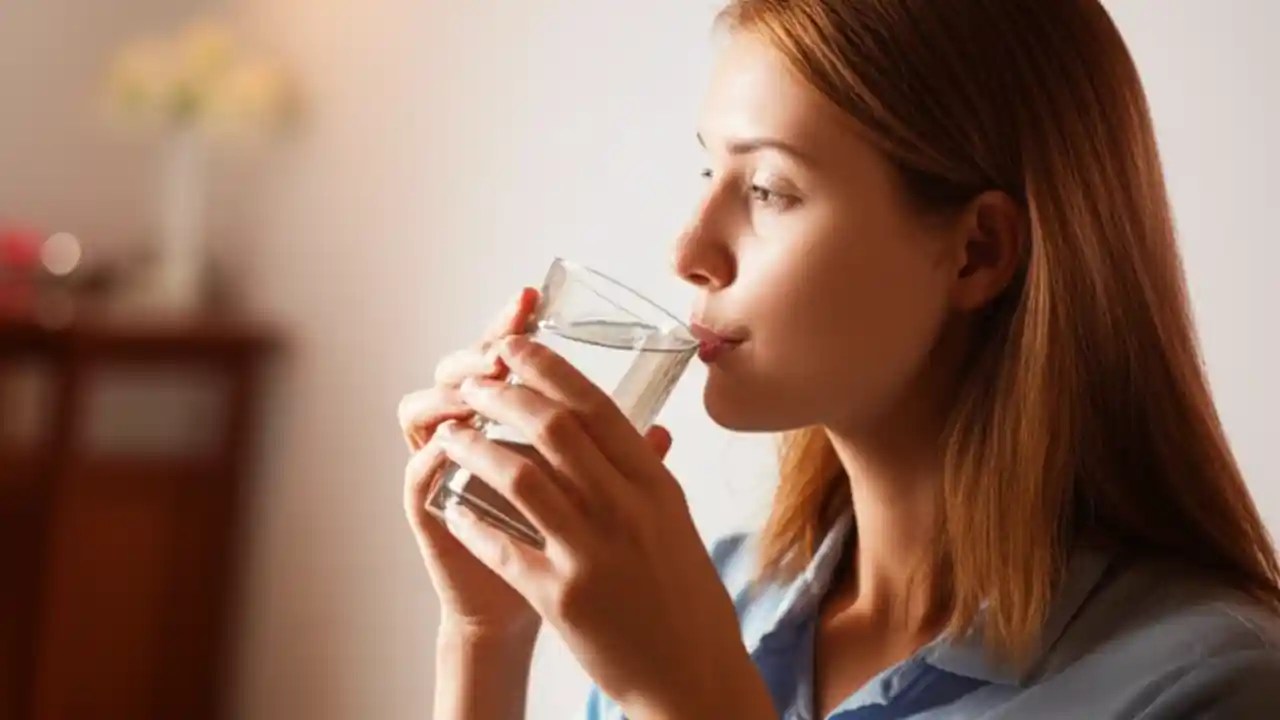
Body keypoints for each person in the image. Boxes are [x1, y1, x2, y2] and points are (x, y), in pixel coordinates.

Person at [398, 1, 1280, 717]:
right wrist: (486, 636)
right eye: (711, 175)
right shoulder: (712, 595)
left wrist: (688, 696)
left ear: (977, 252)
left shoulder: (1210, 685)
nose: (689, 249)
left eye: (769, 189)